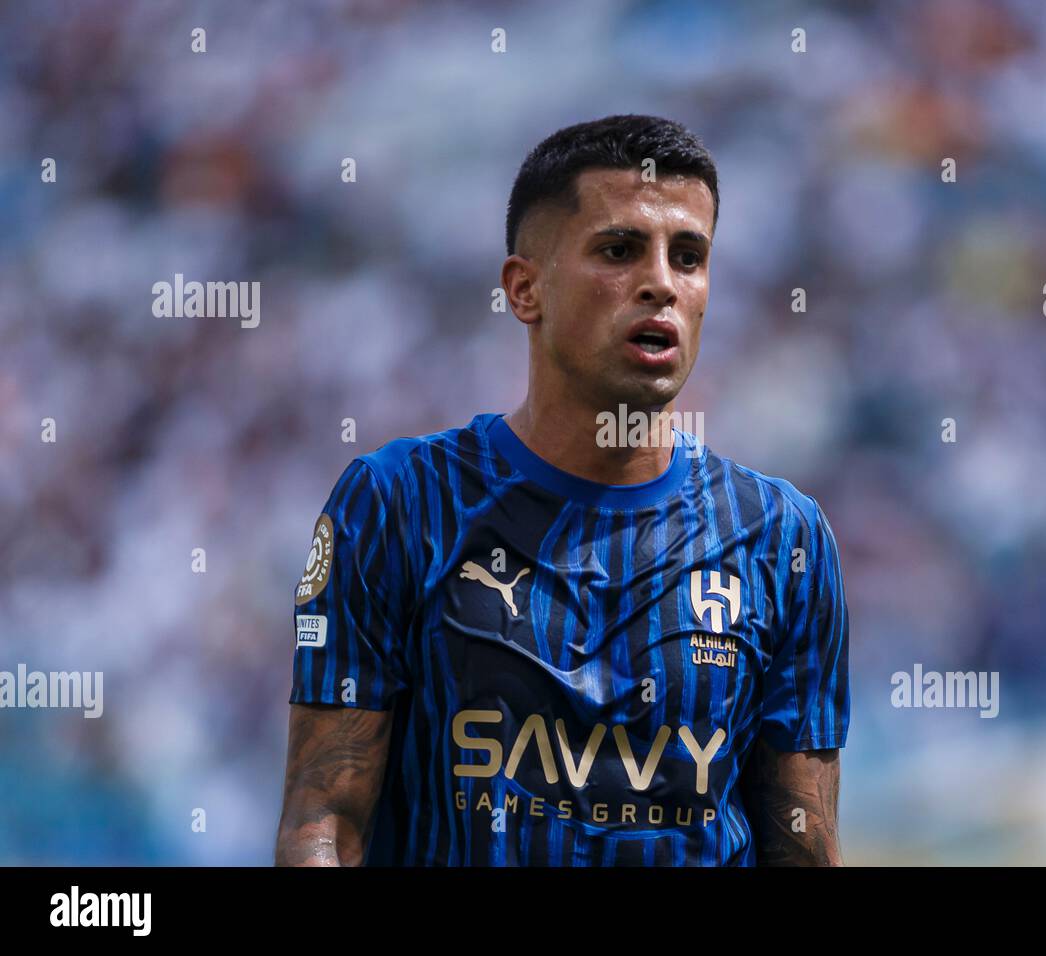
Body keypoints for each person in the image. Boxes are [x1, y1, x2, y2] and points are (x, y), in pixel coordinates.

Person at [274, 114, 850, 866]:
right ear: (525, 289)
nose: (661, 285)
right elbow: (325, 821)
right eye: (619, 250)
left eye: (689, 256)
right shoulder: (397, 502)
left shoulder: (783, 537)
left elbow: (802, 844)